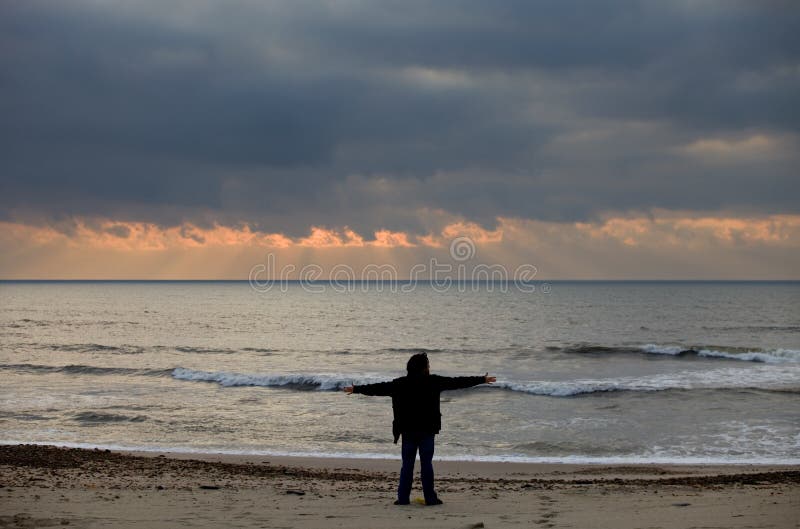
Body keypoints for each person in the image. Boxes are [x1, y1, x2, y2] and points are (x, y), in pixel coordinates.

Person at [343, 352, 496, 506]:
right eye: (428, 365)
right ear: (424, 368)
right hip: (427, 431)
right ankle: (430, 498)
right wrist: (481, 379)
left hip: (408, 431)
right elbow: (457, 382)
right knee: (426, 465)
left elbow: (377, 388)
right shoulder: (434, 381)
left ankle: (403, 499)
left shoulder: (400, 383)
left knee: (407, 466)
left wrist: (356, 389)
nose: (429, 367)